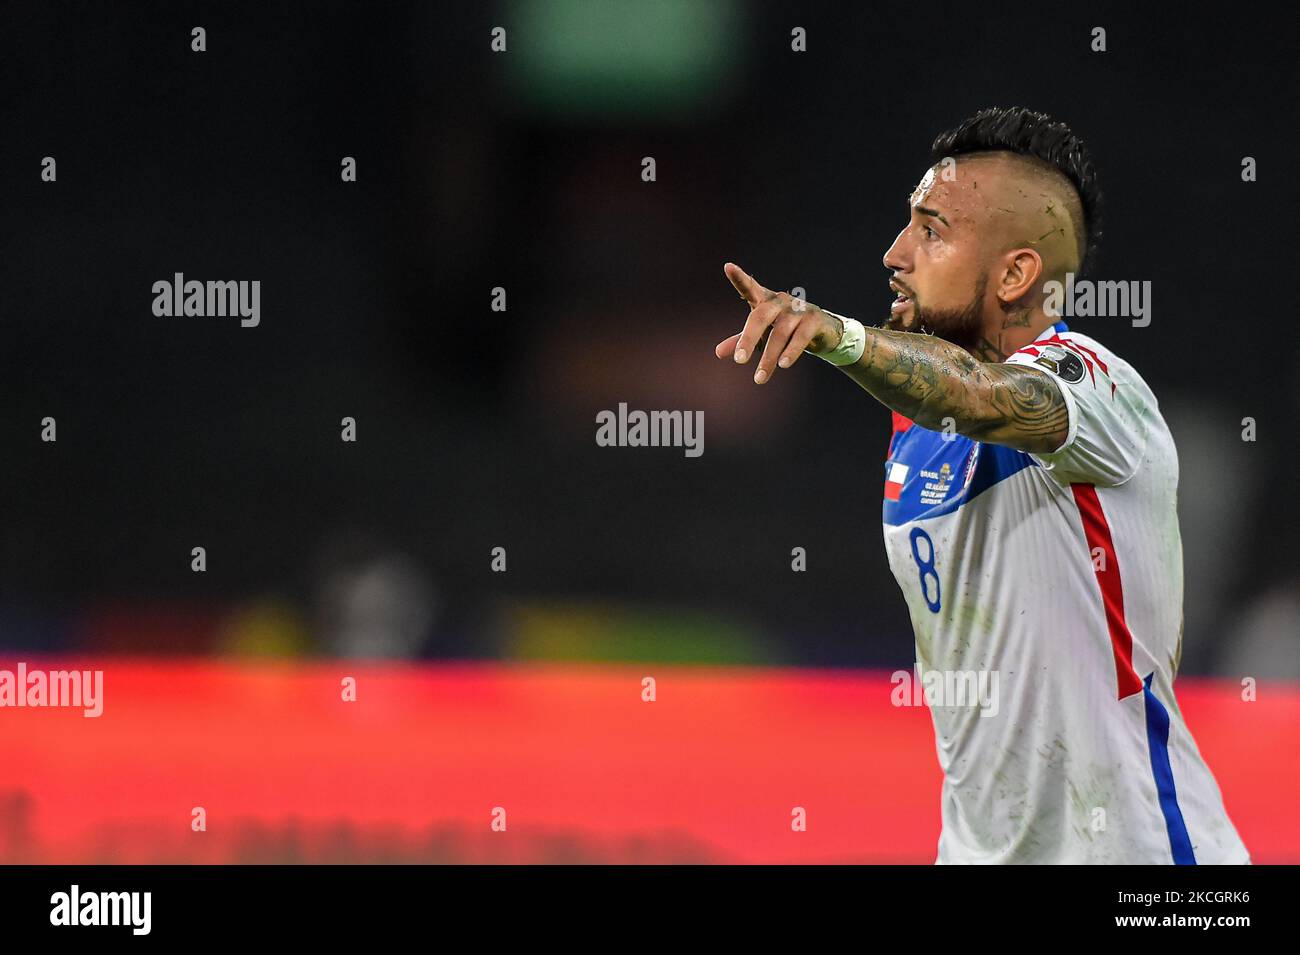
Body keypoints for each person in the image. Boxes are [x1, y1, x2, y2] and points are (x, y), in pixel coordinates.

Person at [716, 106, 1249, 864]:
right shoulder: (914, 425)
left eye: (930, 230)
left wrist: (843, 336)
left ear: (1016, 274)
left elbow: (986, 396)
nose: (894, 252)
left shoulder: (1100, 390)